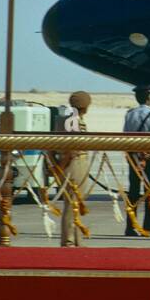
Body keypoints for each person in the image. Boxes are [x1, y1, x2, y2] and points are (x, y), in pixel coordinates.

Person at [122, 84, 150, 236]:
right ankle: (148, 227)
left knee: (133, 192)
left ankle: (130, 227)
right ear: (149, 98)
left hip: (133, 156)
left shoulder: (130, 114)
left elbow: (125, 135)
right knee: (149, 192)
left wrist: (134, 156)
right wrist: (144, 158)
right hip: (148, 157)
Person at [58, 90, 94, 247]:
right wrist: (62, 166)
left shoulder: (68, 119)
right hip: (75, 163)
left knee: (76, 203)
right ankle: (69, 240)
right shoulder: (73, 121)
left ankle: (75, 238)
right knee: (72, 202)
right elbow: (71, 148)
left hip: (75, 162)